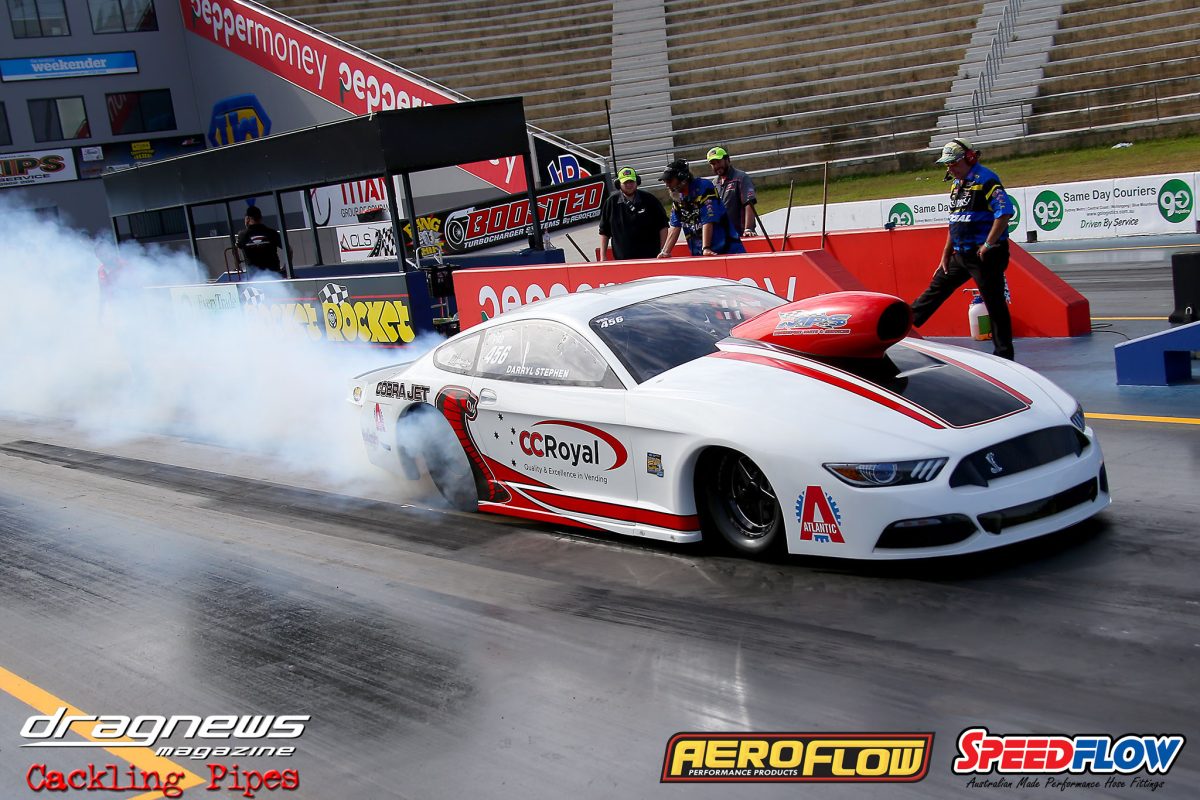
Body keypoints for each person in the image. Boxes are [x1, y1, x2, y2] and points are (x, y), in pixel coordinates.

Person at [911, 138, 1016, 360]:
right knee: (935, 290)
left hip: (986, 254)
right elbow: (956, 220)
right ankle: (902, 329)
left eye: (954, 164)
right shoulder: (956, 184)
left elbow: (1005, 212)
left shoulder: (987, 179)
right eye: (947, 165)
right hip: (961, 253)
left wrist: (988, 244)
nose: (950, 168)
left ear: (969, 159)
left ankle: (1005, 357)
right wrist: (946, 253)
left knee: (994, 304)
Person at [657, 159, 745, 258]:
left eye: (669, 180)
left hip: (729, 252)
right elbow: (675, 226)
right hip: (701, 255)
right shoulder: (678, 198)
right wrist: (665, 252)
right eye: (665, 181)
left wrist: (706, 248)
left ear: (682, 178)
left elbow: (708, 220)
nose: (667, 185)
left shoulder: (704, 187)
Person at [597, 166, 669, 260]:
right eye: (625, 182)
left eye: (631, 181)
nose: (629, 185)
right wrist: (603, 256)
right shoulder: (611, 203)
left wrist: (662, 250)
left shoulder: (649, 199)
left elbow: (663, 226)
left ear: (637, 181)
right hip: (623, 262)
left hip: (651, 258)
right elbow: (604, 231)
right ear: (618, 184)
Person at [707, 146, 758, 239]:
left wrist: (748, 229)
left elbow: (749, 203)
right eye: (713, 164)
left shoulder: (741, 177)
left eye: (718, 162)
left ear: (727, 159)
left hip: (742, 235)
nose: (717, 166)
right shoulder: (714, 183)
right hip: (724, 237)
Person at [235, 206, 287, 275]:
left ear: (247, 219)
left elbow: (235, 250)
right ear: (261, 218)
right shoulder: (272, 232)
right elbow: (289, 250)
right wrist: (286, 267)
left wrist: (238, 266)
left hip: (254, 277)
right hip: (274, 274)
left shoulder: (242, 235)